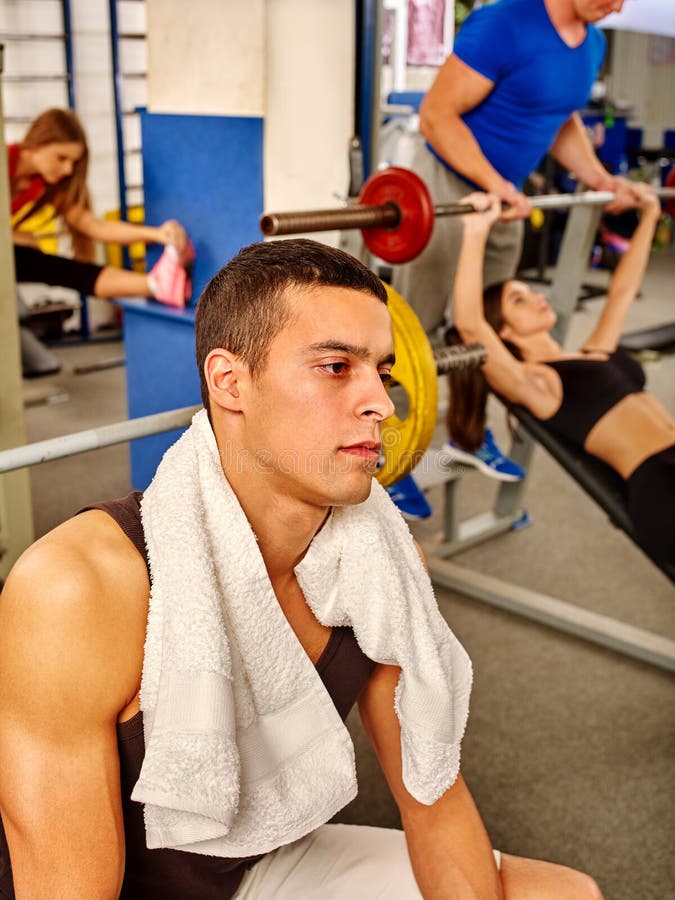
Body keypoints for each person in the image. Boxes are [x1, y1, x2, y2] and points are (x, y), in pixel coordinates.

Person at [0, 238, 604, 899]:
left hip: (247, 866)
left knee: (562, 893)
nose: (379, 402)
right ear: (229, 382)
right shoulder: (77, 586)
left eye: (383, 373)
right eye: (336, 367)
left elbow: (431, 798)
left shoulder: (377, 563)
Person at [389, 0, 640, 494]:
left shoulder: (592, 43)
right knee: (414, 325)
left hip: (506, 194)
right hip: (446, 184)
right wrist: (493, 183)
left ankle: (466, 433)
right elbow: (438, 114)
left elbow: (559, 118)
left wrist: (596, 176)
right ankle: (390, 455)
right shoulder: (506, 23)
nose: (617, 6)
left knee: (487, 323)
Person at [449, 186, 674, 566]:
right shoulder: (537, 383)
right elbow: (470, 326)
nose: (538, 297)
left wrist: (650, 214)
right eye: (519, 300)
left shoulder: (592, 352)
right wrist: (475, 230)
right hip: (662, 488)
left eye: (529, 290)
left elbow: (622, 292)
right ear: (502, 332)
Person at [9, 108, 193, 308]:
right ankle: (155, 284)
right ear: (36, 144)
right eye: (61, 158)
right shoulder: (6, 159)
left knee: (56, 268)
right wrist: (14, 237)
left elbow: (92, 225)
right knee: (26, 257)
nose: (68, 169)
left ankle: (156, 284)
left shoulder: (45, 184)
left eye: (73, 162)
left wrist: (158, 234)